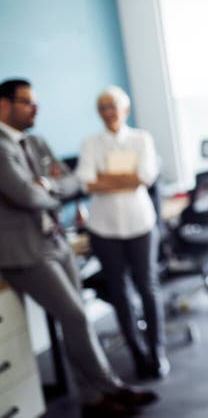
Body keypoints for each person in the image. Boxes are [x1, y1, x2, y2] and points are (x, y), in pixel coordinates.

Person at [0, 79, 157, 417]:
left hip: (55, 240)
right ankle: (111, 385)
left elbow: (72, 180)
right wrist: (50, 188)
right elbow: (26, 196)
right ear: (3, 105)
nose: (36, 108)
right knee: (74, 315)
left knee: (76, 319)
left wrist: (48, 185)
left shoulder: (36, 141)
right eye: (27, 102)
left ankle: (92, 398)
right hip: (25, 251)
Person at [76, 85, 169, 380]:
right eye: (102, 107)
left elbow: (143, 177)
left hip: (140, 224)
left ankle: (157, 352)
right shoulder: (91, 143)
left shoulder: (141, 139)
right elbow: (85, 182)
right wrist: (123, 178)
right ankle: (138, 354)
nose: (108, 112)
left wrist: (106, 178)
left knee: (147, 288)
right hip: (104, 228)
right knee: (120, 293)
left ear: (125, 109)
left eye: (113, 105)